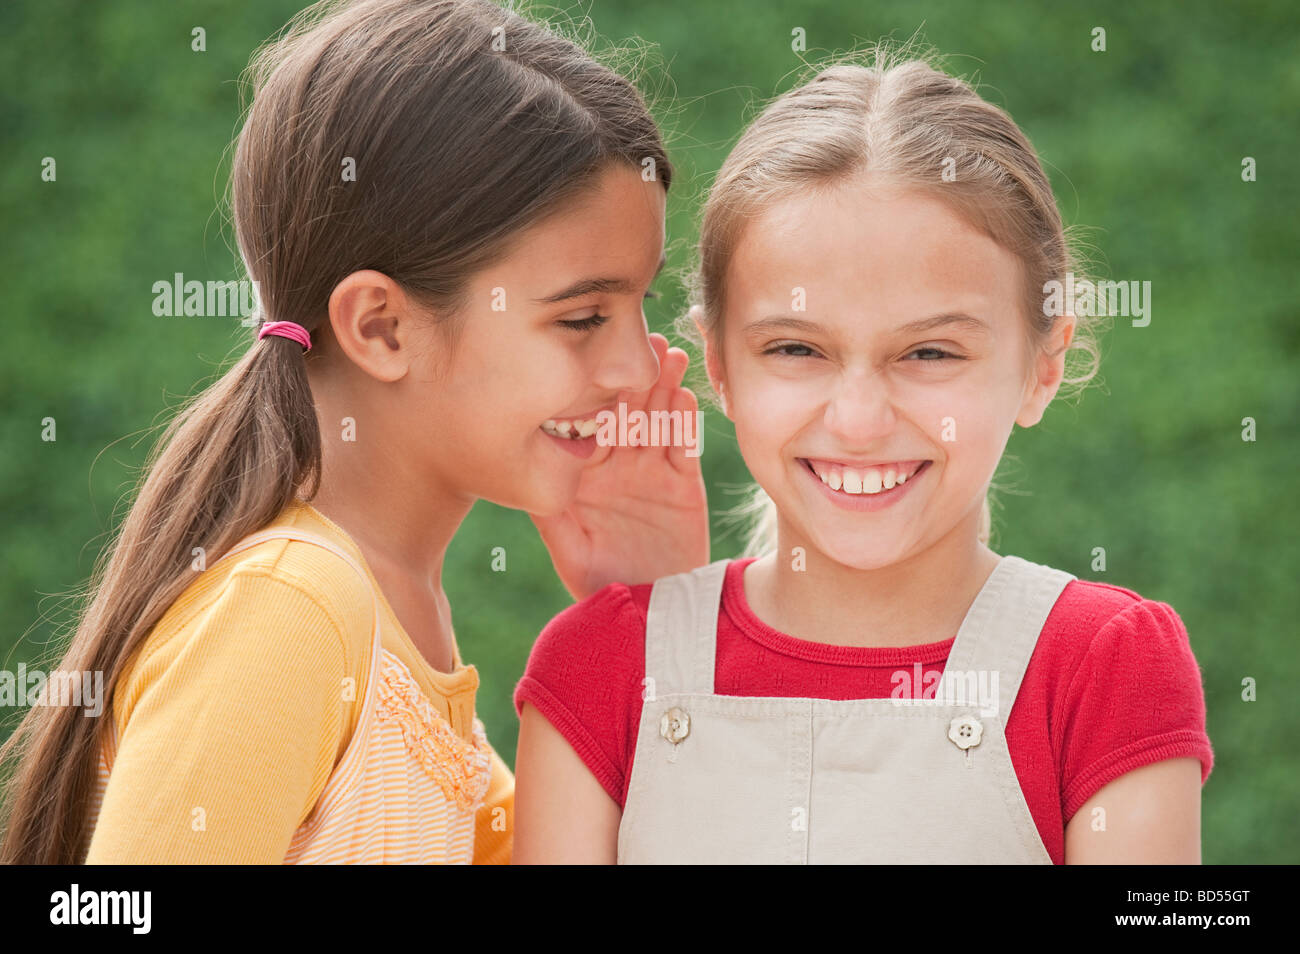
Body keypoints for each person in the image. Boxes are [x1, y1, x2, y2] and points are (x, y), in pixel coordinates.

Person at [0, 0, 707, 864]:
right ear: (380, 327)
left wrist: (645, 619)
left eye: (643, 304)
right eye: (583, 316)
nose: (641, 369)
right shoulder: (293, 612)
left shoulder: (393, 623)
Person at [514, 48, 1213, 864]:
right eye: (796, 349)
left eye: (929, 354)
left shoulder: (1105, 665)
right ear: (717, 365)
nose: (856, 421)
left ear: (1042, 366)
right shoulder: (599, 669)